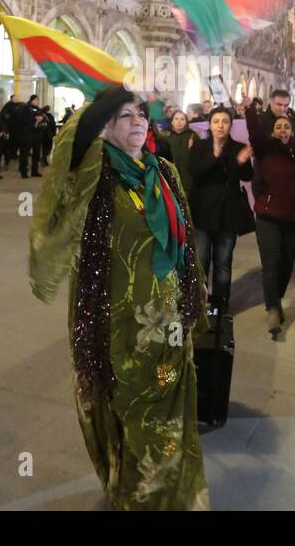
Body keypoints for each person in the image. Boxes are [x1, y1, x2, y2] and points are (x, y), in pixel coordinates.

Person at [29, 86, 209, 510]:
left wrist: (196, 280)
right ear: (107, 126)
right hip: (116, 320)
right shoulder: (93, 175)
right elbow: (70, 145)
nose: (137, 122)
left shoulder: (162, 169)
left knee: (168, 413)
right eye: (125, 115)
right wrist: (106, 99)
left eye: (141, 115)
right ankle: (135, 492)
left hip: (167, 319)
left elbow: (184, 235)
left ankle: (169, 492)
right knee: (126, 409)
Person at [243, 93, 295, 338]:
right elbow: (255, 134)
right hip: (268, 216)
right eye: (279, 127)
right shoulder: (266, 150)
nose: (283, 130)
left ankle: (275, 299)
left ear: (293, 131)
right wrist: (249, 111)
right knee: (271, 264)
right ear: (274, 131)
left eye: (287, 126)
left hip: (294, 217)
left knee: (286, 264)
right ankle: (273, 308)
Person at [189, 106, 255, 307]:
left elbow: (246, 176)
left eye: (225, 121)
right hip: (202, 212)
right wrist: (215, 156)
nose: (220, 125)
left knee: (223, 262)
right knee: (201, 261)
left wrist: (241, 162)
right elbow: (195, 171)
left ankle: (219, 306)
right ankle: (199, 305)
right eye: (216, 121)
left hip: (228, 214)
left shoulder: (238, 147)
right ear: (210, 124)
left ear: (230, 125)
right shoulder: (200, 146)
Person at [162, 110, 199, 194]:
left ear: (186, 122)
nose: (179, 121)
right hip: (170, 175)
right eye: (176, 119)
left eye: (182, 119)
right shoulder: (165, 136)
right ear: (172, 121)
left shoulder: (193, 136)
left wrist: (194, 147)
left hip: (188, 176)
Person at [15, 95, 44, 178]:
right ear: (32, 100)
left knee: (36, 154)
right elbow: (22, 120)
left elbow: (43, 118)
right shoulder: (26, 109)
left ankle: (34, 171)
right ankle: (23, 171)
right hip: (27, 134)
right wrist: (35, 119)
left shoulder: (39, 109)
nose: (37, 102)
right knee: (25, 154)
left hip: (37, 135)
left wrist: (41, 119)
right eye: (36, 100)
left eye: (38, 100)